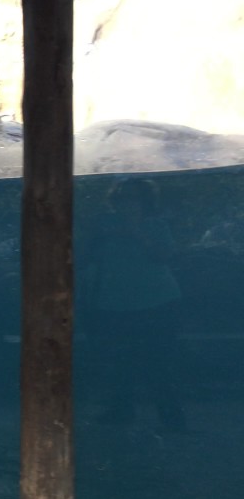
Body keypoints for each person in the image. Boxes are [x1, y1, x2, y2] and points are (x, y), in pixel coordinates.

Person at [80, 177, 187, 432]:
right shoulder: (103, 225)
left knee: (158, 361)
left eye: (134, 198)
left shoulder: (156, 224)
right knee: (119, 360)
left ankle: (171, 417)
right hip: (114, 303)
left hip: (157, 302)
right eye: (123, 198)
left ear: (145, 201)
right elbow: (87, 256)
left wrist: (136, 233)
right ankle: (121, 410)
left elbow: (165, 256)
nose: (128, 204)